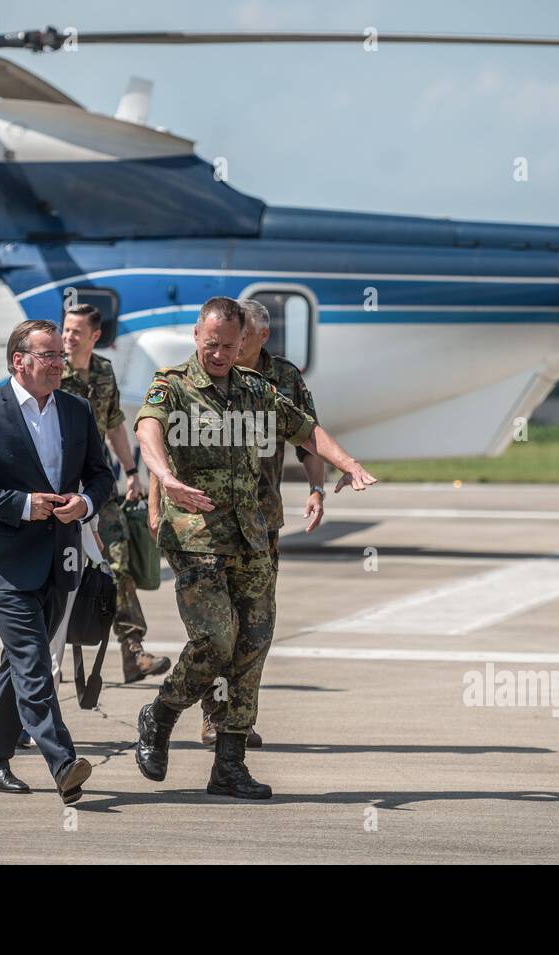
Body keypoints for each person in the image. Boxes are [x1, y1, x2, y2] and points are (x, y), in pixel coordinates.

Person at [133, 296, 377, 799]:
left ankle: (229, 763)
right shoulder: (172, 385)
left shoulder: (256, 389)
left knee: (253, 644)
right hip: (197, 534)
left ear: (243, 339)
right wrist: (163, 477)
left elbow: (305, 429)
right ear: (196, 335)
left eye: (228, 345)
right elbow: (147, 429)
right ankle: (161, 712)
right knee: (215, 639)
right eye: (210, 344)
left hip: (252, 534)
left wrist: (347, 463)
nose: (218, 353)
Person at [0, 319, 114, 805]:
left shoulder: (77, 411)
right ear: (19, 361)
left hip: (59, 559)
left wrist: (86, 504)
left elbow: (102, 477)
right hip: (4, 561)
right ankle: (62, 761)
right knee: (34, 662)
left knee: (14, 665)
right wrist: (19, 504)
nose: (60, 364)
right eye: (49, 356)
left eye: (61, 355)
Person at [59, 303, 171, 684]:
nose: (68, 337)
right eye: (66, 329)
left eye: (76, 331)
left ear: (94, 336)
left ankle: (132, 651)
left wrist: (131, 471)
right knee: (59, 574)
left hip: (98, 486)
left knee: (117, 563)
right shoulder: (52, 370)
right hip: (57, 490)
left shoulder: (104, 371)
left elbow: (115, 425)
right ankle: (48, 656)